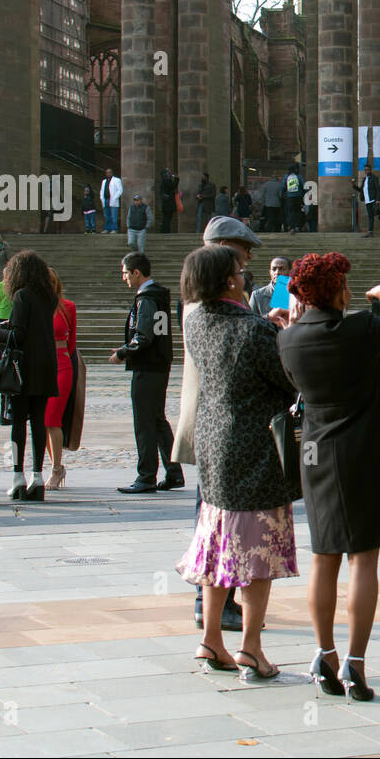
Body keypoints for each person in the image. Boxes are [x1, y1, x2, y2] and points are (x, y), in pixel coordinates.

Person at [277, 253, 380, 702]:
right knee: (363, 559)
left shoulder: (287, 340)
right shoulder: (359, 329)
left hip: (317, 456)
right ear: (339, 291)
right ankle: (355, 664)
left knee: (324, 556)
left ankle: (323, 652)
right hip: (364, 454)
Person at [174, 244, 300, 675]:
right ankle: (250, 647)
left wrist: (265, 324)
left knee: (217, 545)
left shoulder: (197, 322)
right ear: (229, 280)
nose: (245, 276)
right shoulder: (253, 332)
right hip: (254, 449)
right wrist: (287, 331)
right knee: (257, 553)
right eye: (240, 272)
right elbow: (289, 381)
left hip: (212, 446)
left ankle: (210, 641)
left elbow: (236, 344)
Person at [172, 216, 264, 632]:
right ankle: (209, 600)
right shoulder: (206, 305)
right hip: (221, 424)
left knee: (213, 511)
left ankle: (213, 600)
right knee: (213, 514)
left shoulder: (199, 298)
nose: (245, 266)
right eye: (242, 257)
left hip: (212, 421)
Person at [111, 252, 183, 494]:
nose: (123, 279)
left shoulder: (147, 299)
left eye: (125, 273)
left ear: (136, 273)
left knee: (144, 422)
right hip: (159, 363)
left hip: (148, 366)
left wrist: (122, 352)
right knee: (157, 420)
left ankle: (146, 476)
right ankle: (173, 473)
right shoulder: (158, 296)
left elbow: (144, 336)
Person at [0, 251, 59, 501]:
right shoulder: (49, 297)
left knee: (18, 423)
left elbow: (18, 334)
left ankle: (18, 476)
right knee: (38, 423)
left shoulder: (22, 296)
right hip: (46, 365)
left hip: (24, 368)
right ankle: (37, 476)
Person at [44, 269, 78, 490]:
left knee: (52, 419)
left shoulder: (67, 306)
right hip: (43, 365)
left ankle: (57, 469)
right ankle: (55, 465)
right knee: (45, 422)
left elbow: (72, 341)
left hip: (62, 364)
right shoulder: (36, 307)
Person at [361, 162, 380, 237]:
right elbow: (361, 189)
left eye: (367, 170)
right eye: (365, 170)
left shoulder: (374, 178)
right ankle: (370, 232)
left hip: (373, 200)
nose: (366, 171)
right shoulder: (364, 179)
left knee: (379, 214)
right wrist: (353, 185)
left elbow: (378, 189)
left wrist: (377, 199)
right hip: (367, 201)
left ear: (370, 170)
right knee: (370, 217)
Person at [100, 167, 123, 234]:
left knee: (113, 216)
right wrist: (102, 198)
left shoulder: (117, 180)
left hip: (113, 200)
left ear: (112, 173)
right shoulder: (104, 181)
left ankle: (114, 229)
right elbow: (102, 191)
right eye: (107, 172)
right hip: (106, 200)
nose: (108, 173)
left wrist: (114, 198)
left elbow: (120, 190)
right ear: (106, 174)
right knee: (107, 216)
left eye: (110, 172)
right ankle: (107, 228)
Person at [283, 163, 304, 232]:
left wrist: (284, 193)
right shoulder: (299, 176)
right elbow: (304, 186)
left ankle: (291, 227)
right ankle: (298, 226)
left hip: (289, 197)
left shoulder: (286, 177)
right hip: (298, 196)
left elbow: (283, 187)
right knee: (298, 211)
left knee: (290, 212)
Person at [157, 168, 179, 233]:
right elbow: (173, 186)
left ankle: (164, 231)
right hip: (168, 204)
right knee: (167, 218)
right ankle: (165, 231)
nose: (169, 174)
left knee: (166, 218)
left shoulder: (163, 182)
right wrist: (176, 179)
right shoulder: (167, 181)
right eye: (168, 173)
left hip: (166, 204)